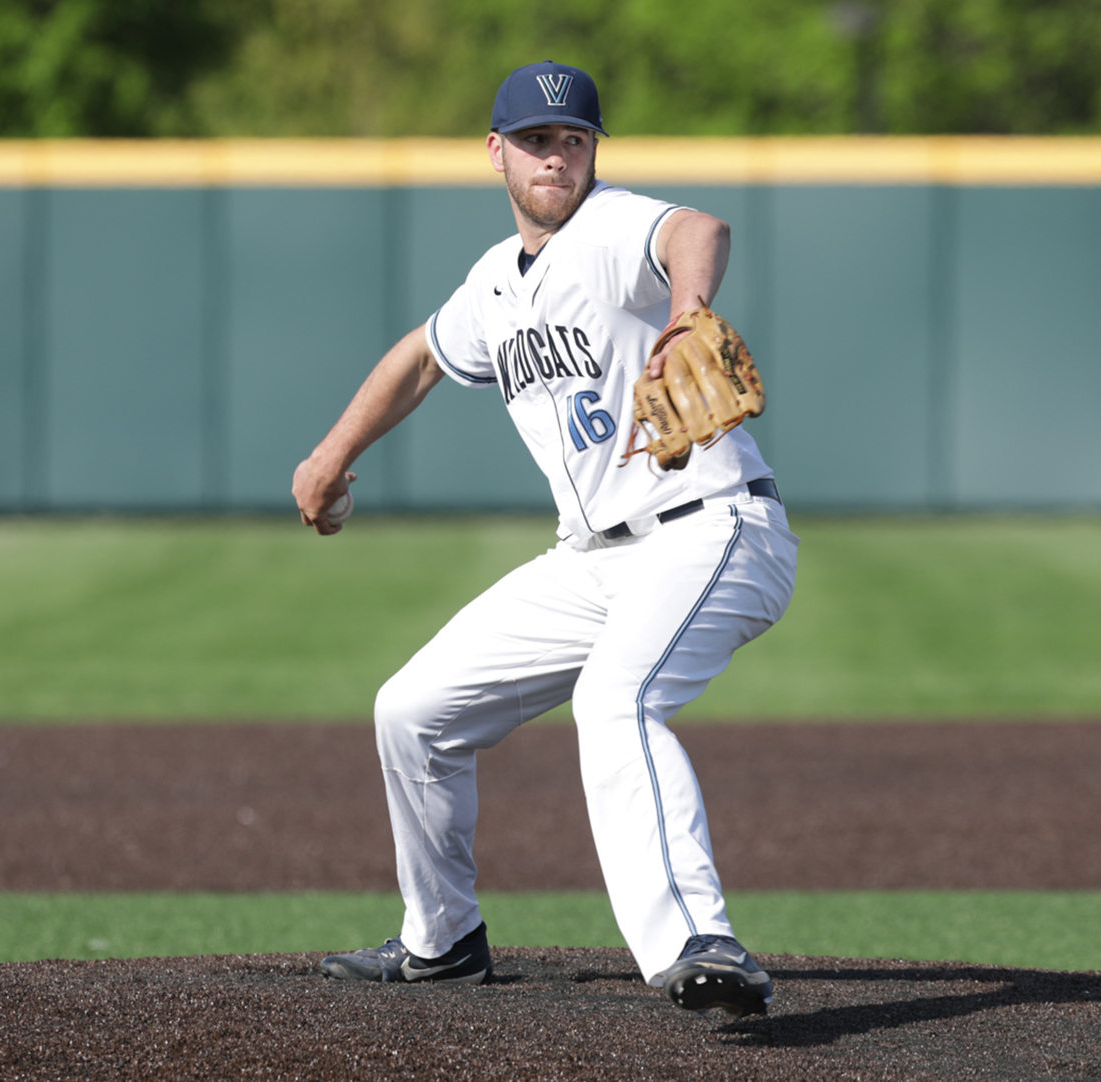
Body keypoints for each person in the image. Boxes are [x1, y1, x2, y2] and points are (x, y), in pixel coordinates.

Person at [289, 61, 797, 1018]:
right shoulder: (495, 282)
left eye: (573, 139)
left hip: (715, 529)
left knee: (617, 698)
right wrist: (330, 455)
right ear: (497, 153)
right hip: (595, 557)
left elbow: (700, 229)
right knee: (412, 712)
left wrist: (689, 309)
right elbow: (421, 358)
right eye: (535, 141)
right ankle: (440, 942)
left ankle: (697, 937)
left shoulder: (612, 228)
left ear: (593, 149)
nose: (556, 156)